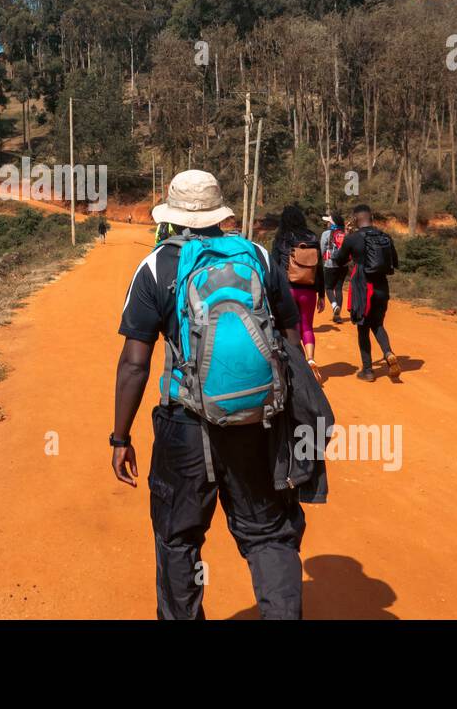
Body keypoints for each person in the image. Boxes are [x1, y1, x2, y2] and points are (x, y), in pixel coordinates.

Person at [112, 170, 333, 620]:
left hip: (184, 428)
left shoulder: (156, 266)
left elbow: (135, 362)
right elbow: (290, 337)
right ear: (219, 213)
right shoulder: (256, 256)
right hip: (257, 422)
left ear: (172, 218)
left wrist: (120, 436)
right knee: (269, 533)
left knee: (179, 538)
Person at [334, 204, 401, 382]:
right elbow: (395, 262)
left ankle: (368, 371)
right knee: (378, 324)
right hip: (382, 287)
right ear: (371, 218)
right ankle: (388, 353)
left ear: (355, 219)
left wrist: (346, 240)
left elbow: (338, 260)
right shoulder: (384, 236)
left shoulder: (353, 238)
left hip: (363, 288)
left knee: (363, 328)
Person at [269, 204, 326, 383]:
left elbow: (274, 268)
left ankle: (294, 366)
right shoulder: (312, 237)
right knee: (307, 326)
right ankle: (310, 359)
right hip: (308, 290)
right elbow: (320, 268)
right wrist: (322, 294)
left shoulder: (281, 239)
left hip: (287, 291)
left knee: (287, 329)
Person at [321, 211, 348, 324]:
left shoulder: (326, 234)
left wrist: (323, 259)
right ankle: (337, 316)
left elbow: (322, 249)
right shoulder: (344, 233)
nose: (326, 223)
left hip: (330, 264)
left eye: (328, 221)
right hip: (343, 265)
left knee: (328, 288)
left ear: (331, 223)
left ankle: (334, 305)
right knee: (338, 288)